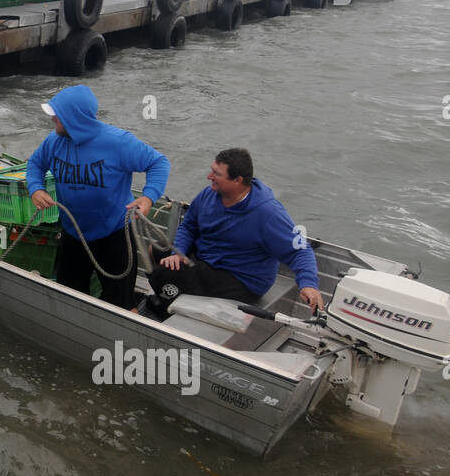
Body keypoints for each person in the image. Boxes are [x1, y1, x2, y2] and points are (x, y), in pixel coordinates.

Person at [27, 85, 171, 309]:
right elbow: (35, 163)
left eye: (58, 115)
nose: (53, 119)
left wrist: (148, 197)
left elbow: (159, 162)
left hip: (114, 235)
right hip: (73, 234)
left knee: (120, 304)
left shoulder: (119, 142)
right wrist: (36, 188)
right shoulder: (53, 141)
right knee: (70, 298)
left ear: (75, 117)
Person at [139, 147, 323, 319]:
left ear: (238, 180)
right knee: (158, 250)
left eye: (217, 174)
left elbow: (300, 249)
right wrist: (177, 252)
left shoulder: (268, 213)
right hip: (209, 258)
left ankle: (162, 312)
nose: (209, 176)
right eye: (212, 170)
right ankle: (169, 295)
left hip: (240, 278)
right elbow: (188, 226)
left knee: (165, 274)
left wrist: (308, 284)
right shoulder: (208, 194)